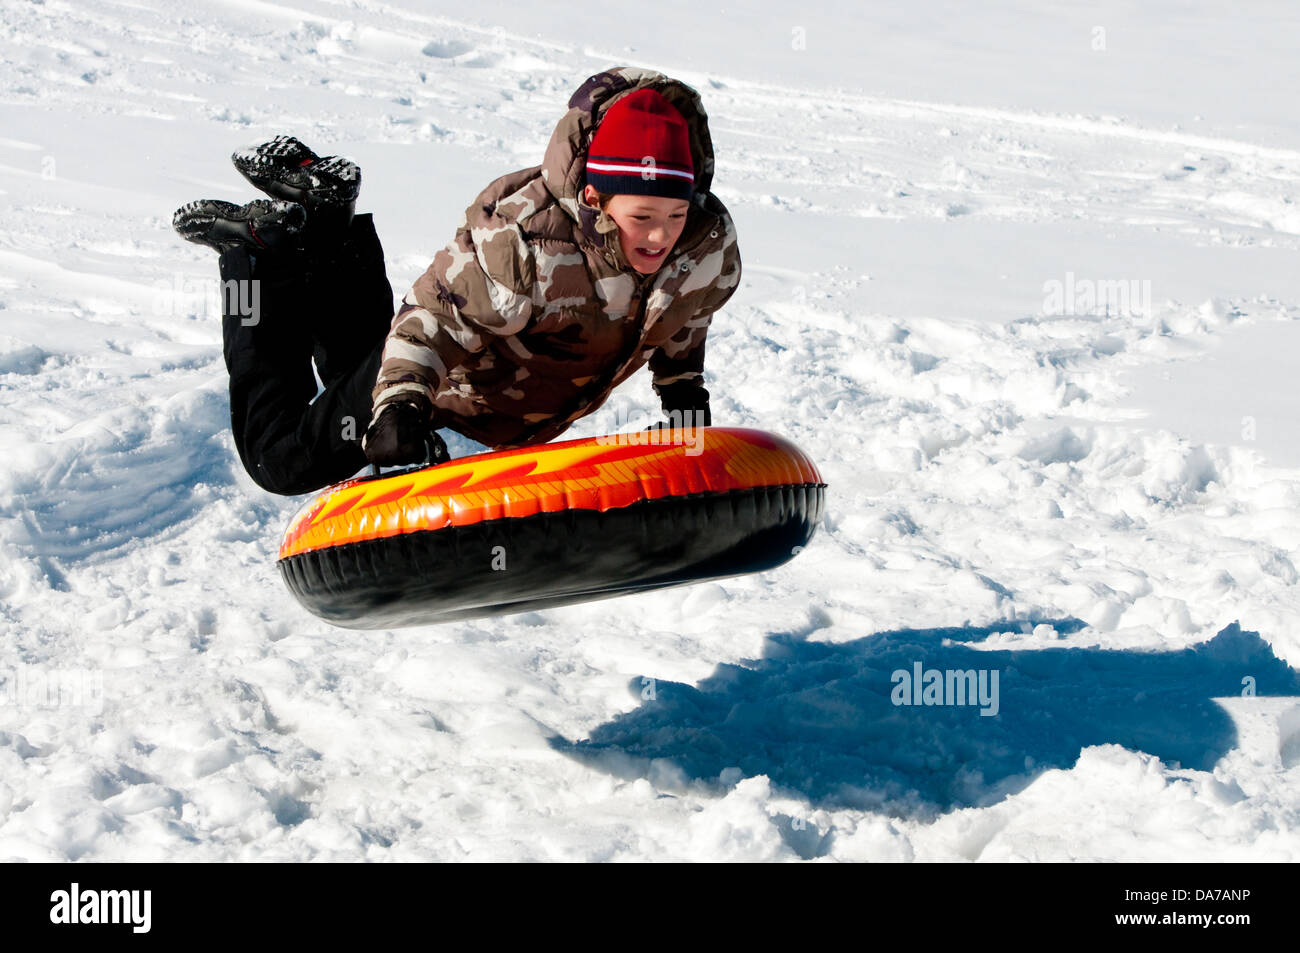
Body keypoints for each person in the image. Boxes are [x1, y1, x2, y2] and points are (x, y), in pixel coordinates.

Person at [173, 66, 741, 495]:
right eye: (641, 217)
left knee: (350, 364)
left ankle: (326, 215)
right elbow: (430, 321)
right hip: (438, 379)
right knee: (278, 459)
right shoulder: (527, 248)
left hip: (463, 390)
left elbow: (682, 312)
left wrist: (682, 389)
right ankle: (257, 254)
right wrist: (399, 408)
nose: (659, 237)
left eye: (674, 215)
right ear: (595, 198)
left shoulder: (704, 247)